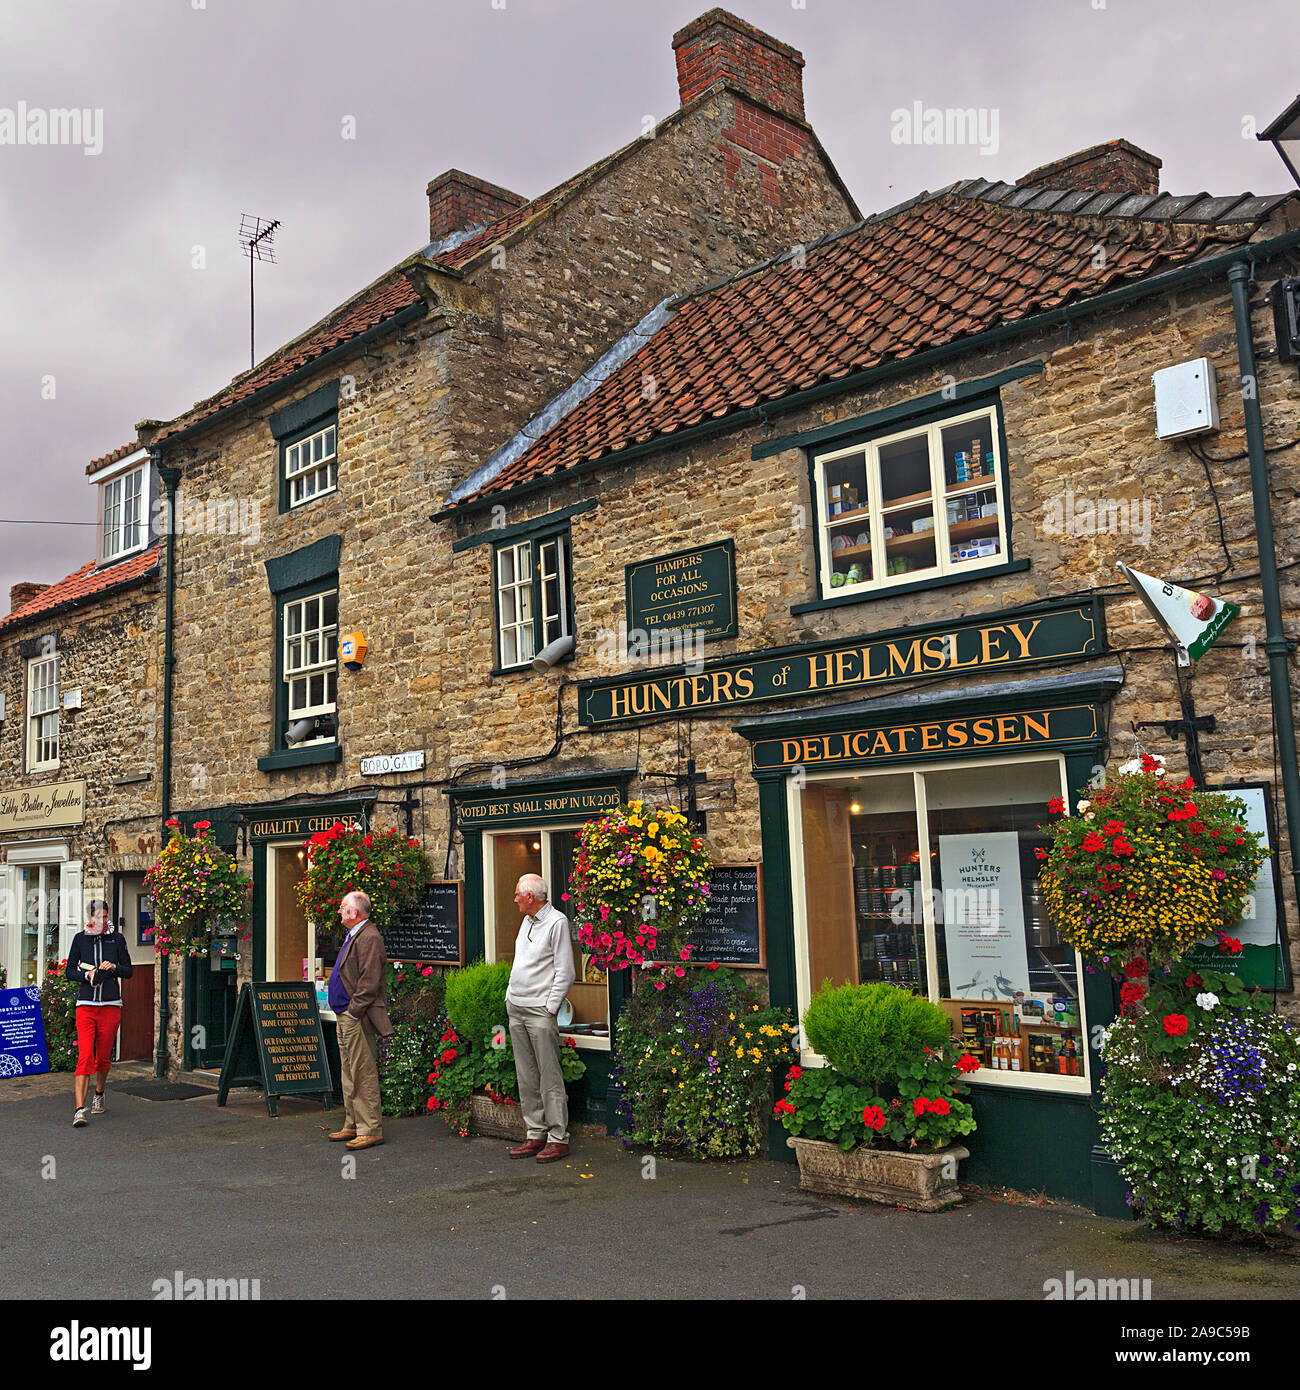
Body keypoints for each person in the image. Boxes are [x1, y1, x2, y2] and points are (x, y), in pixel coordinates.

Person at [505, 873, 575, 1163]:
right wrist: (511, 997)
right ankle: (535, 1133)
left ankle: (558, 1138)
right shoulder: (527, 920)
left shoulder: (557, 922)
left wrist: (550, 1007)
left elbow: (566, 971)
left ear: (530, 897)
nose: (515, 899)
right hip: (517, 1006)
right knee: (526, 1075)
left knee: (549, 1075)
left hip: (538, 1011)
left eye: (518, 895)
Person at [326, 890, 391, 1150]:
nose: (340, 911)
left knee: (362, 1071)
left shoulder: (370, 937)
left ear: (355, 912)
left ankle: (370, 1128)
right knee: (348, 1071)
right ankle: (352, 1123)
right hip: (345, 1014)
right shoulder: (355, 934)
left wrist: (354, 1011)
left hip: (356, 1016)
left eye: (343, 907)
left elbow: (369, 981)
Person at [65, 900, 133, 1127]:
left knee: (103, 1057)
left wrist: (112, 968)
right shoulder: (80, 939)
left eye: (104, 917)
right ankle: (78, 1110)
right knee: (85, 1057)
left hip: (111, 1004)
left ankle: (99, 1094)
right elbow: (69, 971)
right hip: (85, 1004)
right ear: (89, 918)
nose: (101, 921)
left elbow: (129, 971)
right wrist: (88, 975)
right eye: (97, 917)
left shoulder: (117, 939)